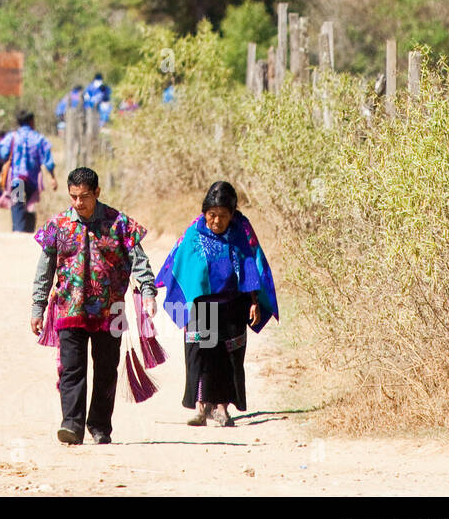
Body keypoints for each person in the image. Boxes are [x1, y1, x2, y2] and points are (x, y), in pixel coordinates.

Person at [30, 167, 156, 445]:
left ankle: (100, 427)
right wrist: (38, 307)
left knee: (106, 369)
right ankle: (71, 425)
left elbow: (139, 260)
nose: (78, 203)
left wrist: (148, 291)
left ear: (97, 193)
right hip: (69, 309)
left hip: (111, 312)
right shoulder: (60, 226)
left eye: (84, 196)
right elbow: (45, 269)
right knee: (72, 369)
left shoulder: (118, 223)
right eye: (73, 196)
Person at [156, 181, 278, 427]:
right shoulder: (194, 233)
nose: (216, 221)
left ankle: (222, 408)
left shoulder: (242, 232)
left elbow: (251, 265)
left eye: (223, 216)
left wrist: (254, 301)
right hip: (203, 306)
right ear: (204, 213)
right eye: (211, 215)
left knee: (229, 356)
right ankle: (201, 407)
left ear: (233, 214)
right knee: (201, 353)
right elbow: (181, 267)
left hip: (233, 303)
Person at [0, 109, 58, 232]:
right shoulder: (39, 138)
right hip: (33, 180)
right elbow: (48, 160)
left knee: (17, 203)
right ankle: (29, 232)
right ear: (31, 121)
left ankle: (18, 231)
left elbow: (3, 153)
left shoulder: (12, 137)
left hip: (17, 179)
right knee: (31, 204)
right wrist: (52, 177)